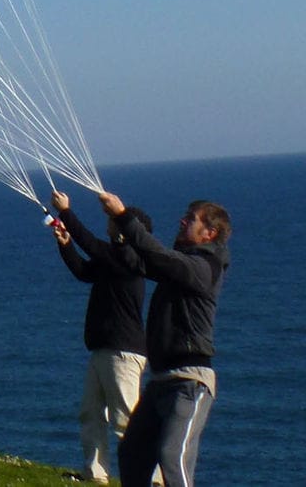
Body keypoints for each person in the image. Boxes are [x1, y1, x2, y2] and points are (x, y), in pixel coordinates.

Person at [97, 190, 231, 487]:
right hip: (162, 381)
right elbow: (140, 261)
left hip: (189, 382)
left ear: (210, 233)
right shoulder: (180, 266)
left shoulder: (203, 268)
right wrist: (118, 232)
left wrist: (123, 216)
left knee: (173, 456)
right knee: (132, 454)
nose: (182, 221)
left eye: (191, 220)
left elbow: (159, 257)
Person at [49, 190, 152, 483]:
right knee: (90, 413)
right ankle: (95, 473)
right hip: (105, 350)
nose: (109, 222)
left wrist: (66, 212)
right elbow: (84, 271)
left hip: (122, 352)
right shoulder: (116, 259)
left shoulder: (130, 259)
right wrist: (67, 246)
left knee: (126, 419)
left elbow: (92, 246)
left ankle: (151, 478)